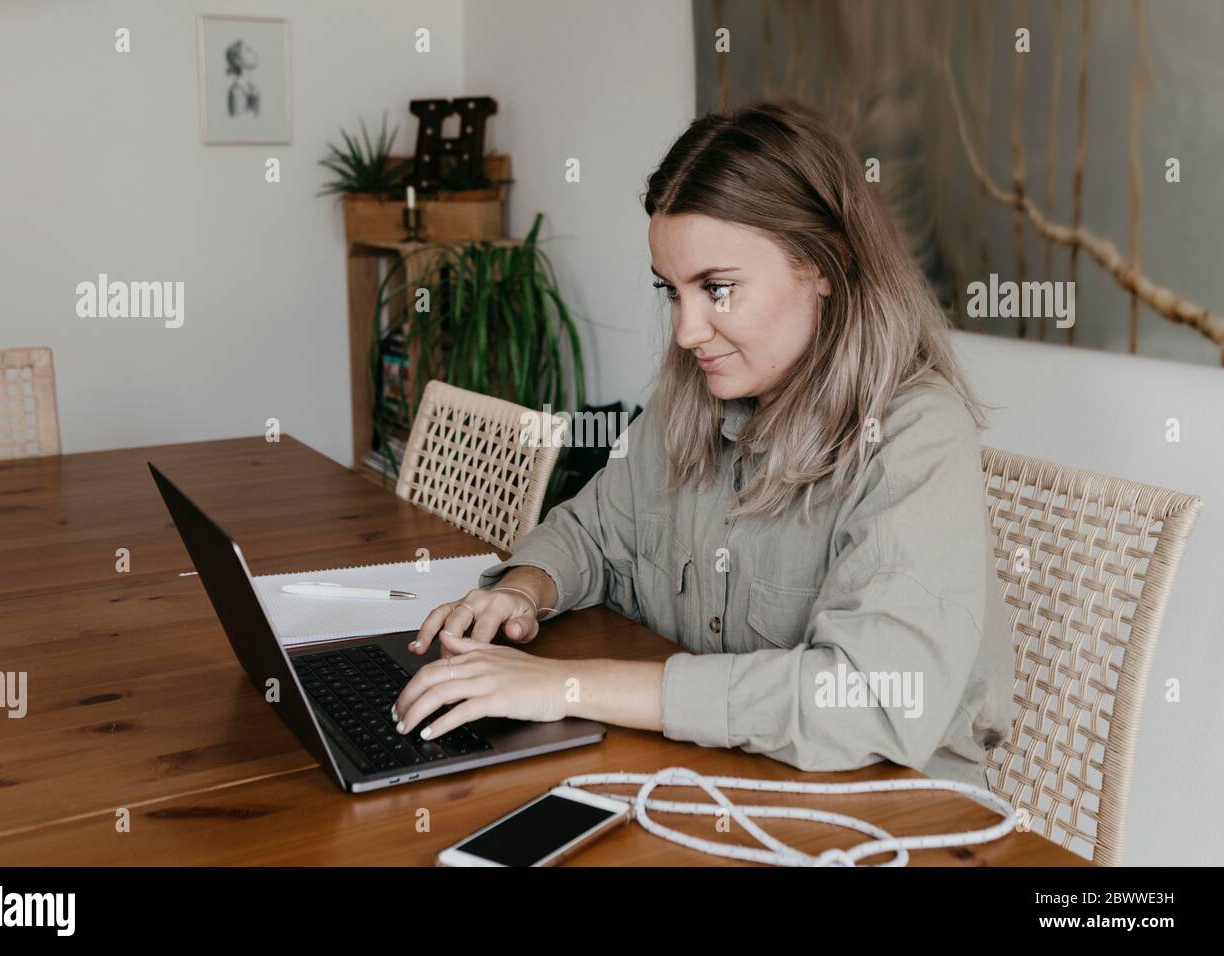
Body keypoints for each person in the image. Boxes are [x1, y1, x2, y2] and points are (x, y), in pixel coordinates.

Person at [390, 99, 1013, 787]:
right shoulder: (693, 400)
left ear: (826, 267)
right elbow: (591, 533)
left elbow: (870, 699)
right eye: (672, 292)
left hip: (894, 813)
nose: (687, 332)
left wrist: (566, 686)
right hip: (719, 780)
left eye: (718, 289)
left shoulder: (914, 437)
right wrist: (522, 591)